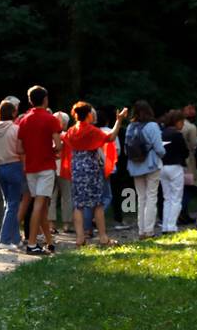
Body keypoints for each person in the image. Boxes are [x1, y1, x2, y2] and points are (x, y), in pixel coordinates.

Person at [62, 102, 125, 247]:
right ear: (89, 115)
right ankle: (103, 238)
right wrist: (119, 120)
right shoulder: (91, 130)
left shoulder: (72, 130)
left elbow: (63, 142)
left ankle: (80, 238)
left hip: (77, 169)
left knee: (78, 205)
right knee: (97, 204)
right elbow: (111, 137)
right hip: (92, 169)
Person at [16, 85, 64, 254]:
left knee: (41, 204)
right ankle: (31, 243)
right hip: (46, 166)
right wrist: (53, 150)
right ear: (45, 99)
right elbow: (58, 145)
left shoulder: (24, 119)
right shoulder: (51, 119)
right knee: (39, 204)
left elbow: (20, 147)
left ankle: (49, 242)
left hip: (30, 167)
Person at [125, 100, 165, 238]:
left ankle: (141, 230)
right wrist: (163, 153)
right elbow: (159, 148)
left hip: (135, 165)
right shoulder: (152, 125)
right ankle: (149, 230)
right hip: (151, 164)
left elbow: (127, 148)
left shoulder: (130, 126)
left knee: (141, 198)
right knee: (151, 196)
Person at [0, 99, 24, 248]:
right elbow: (20, 149)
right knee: (13, 204)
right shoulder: (16, 129)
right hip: (14, 165)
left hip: (0, 167)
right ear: (13, 112)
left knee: (9, 204)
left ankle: (15, 239)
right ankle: (4, 240)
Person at [159, 110, 189, 234]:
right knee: (176, 198)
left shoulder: (162, 133)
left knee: (167, 198)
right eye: (182, 122)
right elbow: (185, 152)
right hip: (175, 167)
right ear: (177, 122)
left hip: (162, 167)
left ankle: (165, 226)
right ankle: (172, 226)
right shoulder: (177, 134)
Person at [48, 111, 74, 233]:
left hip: (51, 169)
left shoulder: (49, 135)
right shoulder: (68, 136)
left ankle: (51, 224)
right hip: (65, 169)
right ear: (64, 123)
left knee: (51, 198)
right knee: (67, 197)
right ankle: (66, 224)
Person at [179, 103, 197, 221]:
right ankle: (183, 211)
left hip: (177, 160)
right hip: (188, 161)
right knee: (189, 188)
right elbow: (194, 145)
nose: (192, 111)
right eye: (189, 109)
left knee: (181, 188)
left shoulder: (176, 125)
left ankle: (183, 212)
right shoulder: (191, 127)